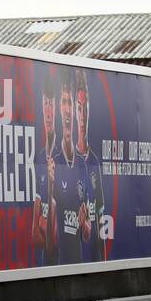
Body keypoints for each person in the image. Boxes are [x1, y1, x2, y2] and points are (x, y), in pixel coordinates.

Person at [53, 70, 85, 266]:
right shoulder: (52, 163)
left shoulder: (82, 163)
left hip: (78, 266)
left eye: (70, 103)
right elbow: (50, 238)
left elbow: (88, 233)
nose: (66, 108)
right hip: (56, 269)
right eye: (63, 102)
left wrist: (84, 223)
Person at [73, 67, 105, 261]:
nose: (82, 114)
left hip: (94, 261)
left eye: (85, 107)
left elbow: (101, 216)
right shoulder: (66, 161)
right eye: (78, 107)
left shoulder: (94, 161)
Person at [30, 68, 58, 266]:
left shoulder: (65, 155)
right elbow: (35, 234)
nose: (48, 112)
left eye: (51, 104)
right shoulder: (39, 157)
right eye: (45, 104)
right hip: (45, 263)